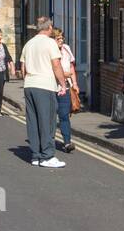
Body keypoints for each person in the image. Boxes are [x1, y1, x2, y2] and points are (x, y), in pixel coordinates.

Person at [19, 15, 67, 168]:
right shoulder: (50, 43)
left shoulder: (29, 44)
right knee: (47, 121)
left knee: (33, 121)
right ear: (49, 27)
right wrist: (63, 84)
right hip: (45, 86)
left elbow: (23, 68)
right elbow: (56, 65)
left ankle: (36, 156)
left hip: (29, 84)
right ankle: (47, 156)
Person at [53, 25, 79, 154]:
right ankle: (48, 140)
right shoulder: (49, 51)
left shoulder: (66, 49)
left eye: (62, 38)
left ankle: (67, 142)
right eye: (58, 38)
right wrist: (64, 74)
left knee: (64, 116)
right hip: (51, 88)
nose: (61, 40)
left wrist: (74, 83)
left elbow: (71, 67)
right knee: (51, 117)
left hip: (65, 88)